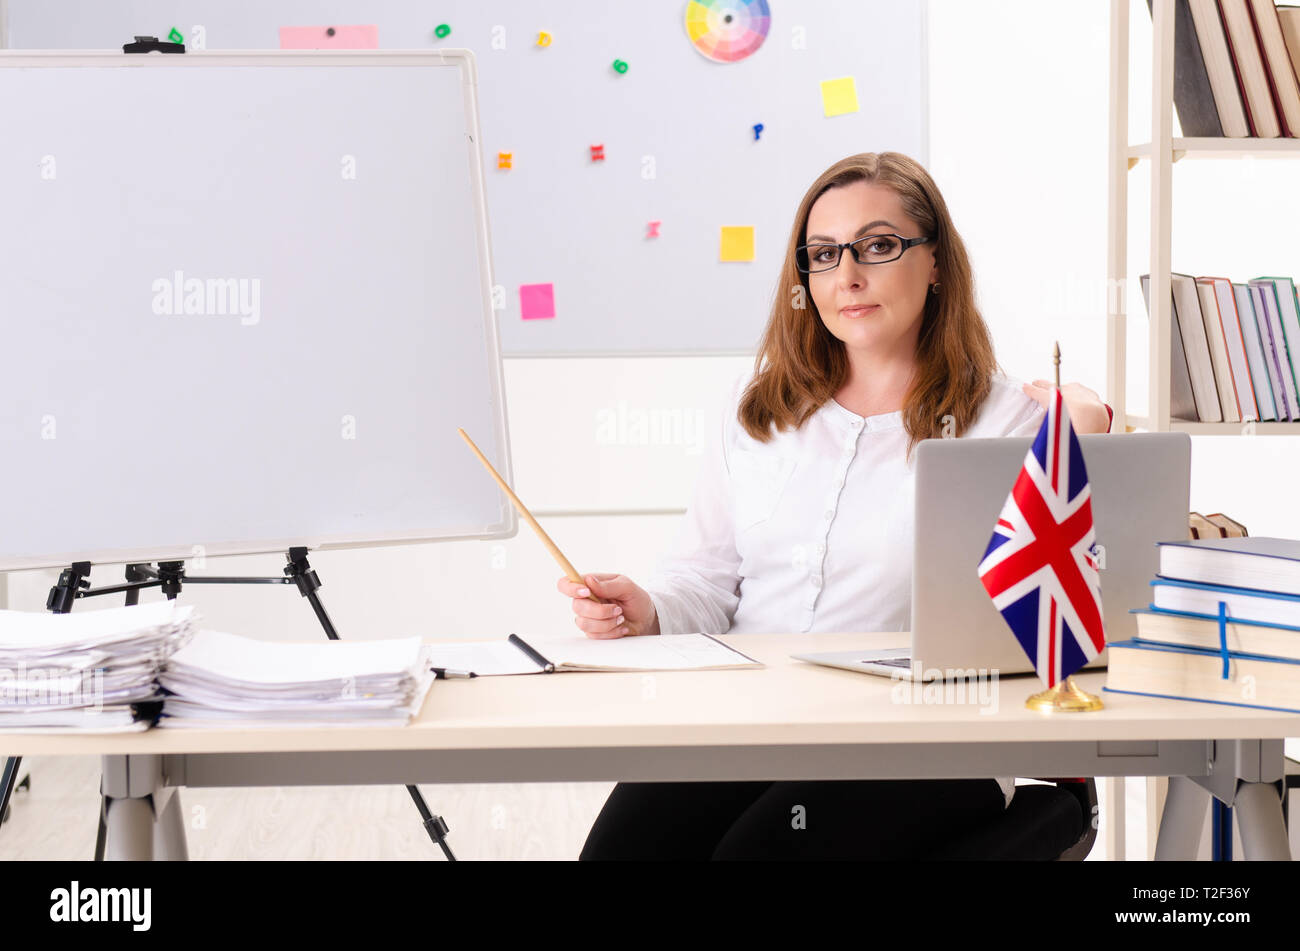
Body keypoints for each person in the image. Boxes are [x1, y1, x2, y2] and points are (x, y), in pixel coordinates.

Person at [556, 152, 1112, 860]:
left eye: (878, 246)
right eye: (823, 254)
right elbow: (706, 576)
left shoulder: (1005, 421)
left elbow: (1051, 613)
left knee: (753, 857)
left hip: (923, 741)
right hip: (752, 721)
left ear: (936, 261)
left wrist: (1083, 438)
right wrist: (650, 608)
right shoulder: (757, 406)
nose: (847, 274)